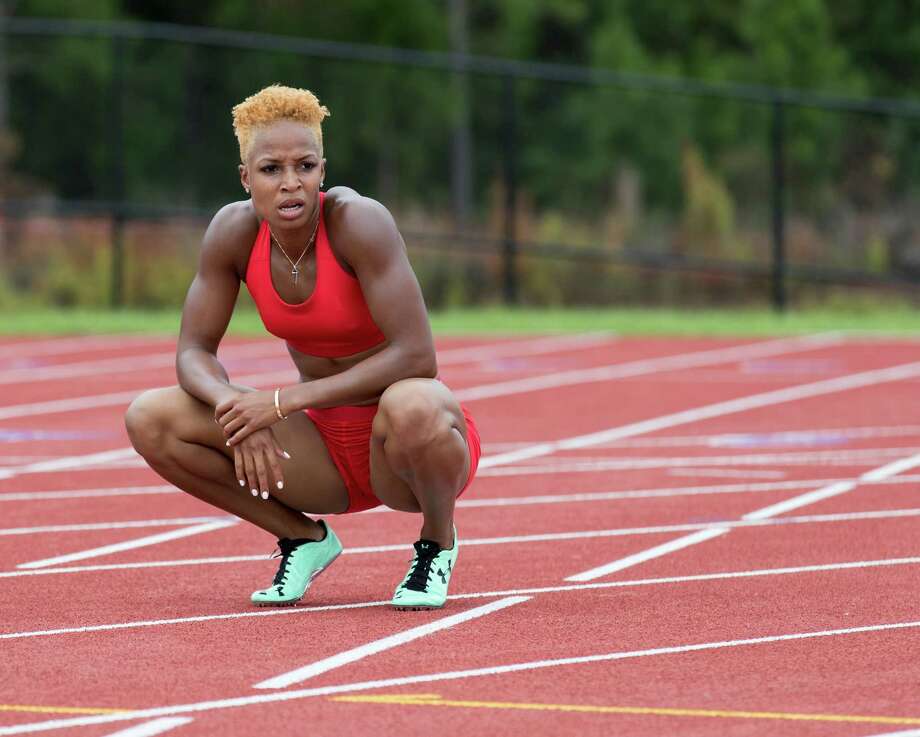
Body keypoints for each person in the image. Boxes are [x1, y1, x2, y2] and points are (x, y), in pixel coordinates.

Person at [125, 84, 481, 610]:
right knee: (149, 417)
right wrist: (232, 411)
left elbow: (417, 355)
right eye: (271, 169)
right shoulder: (233, 232)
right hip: (320, 452)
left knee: (414, 401)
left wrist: (278, 404)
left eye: (305, 166)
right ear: (246, 177)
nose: (291, 183)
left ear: (323, 170)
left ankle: (436, 542)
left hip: (405, 446)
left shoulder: (359, 222)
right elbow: (193, 352)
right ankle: (302, 539)